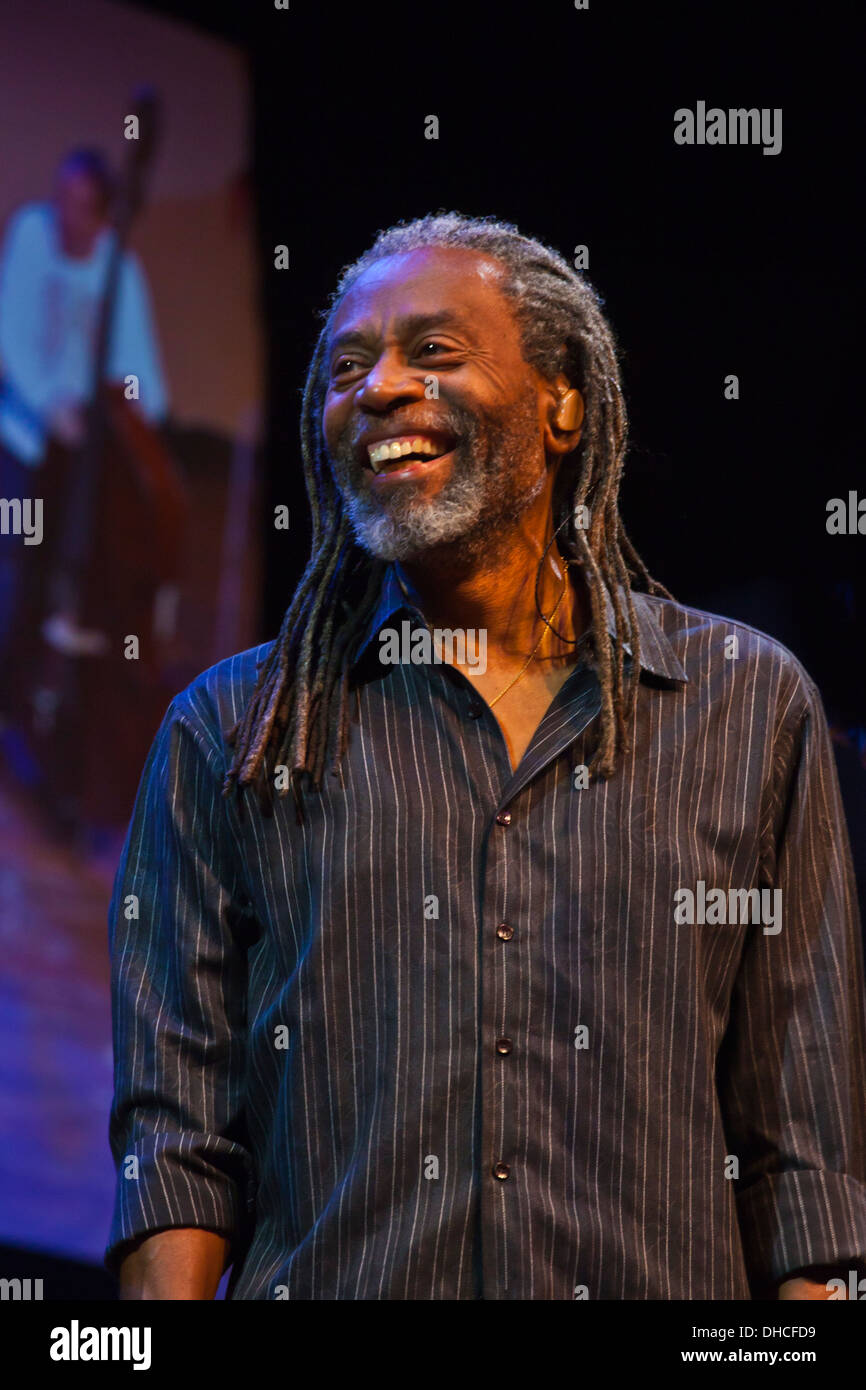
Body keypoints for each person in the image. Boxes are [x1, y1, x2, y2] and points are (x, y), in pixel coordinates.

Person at [106, 213, 866, 1300]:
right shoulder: (230, 732)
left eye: (432, 351)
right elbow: (177, 1143)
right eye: (346, 367)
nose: (376, 389)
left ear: (561, 402)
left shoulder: (746, 707)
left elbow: (804, 1156)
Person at [0, 147, 168, 653]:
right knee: (15, 553)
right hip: (21, 436)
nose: (64, 215)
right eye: (61, 198)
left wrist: (133, 410)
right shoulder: (32, 231)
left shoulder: (120, 266)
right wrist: (49, 404)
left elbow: (140, 369)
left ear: (101, 217)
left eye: (78, 206)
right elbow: (11, 332)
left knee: (58, 561)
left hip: (81, 449)